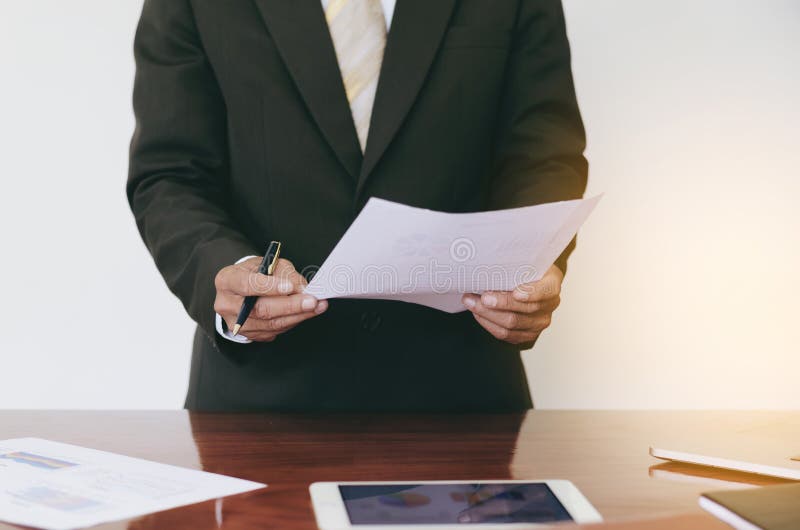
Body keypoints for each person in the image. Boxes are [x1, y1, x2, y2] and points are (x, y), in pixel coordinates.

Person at [127, 0, 588, 412]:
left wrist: (535, 262)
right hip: (261, 404)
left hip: (461, 398)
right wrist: (229, 270)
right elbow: (170, 172)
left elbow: (543, 156)